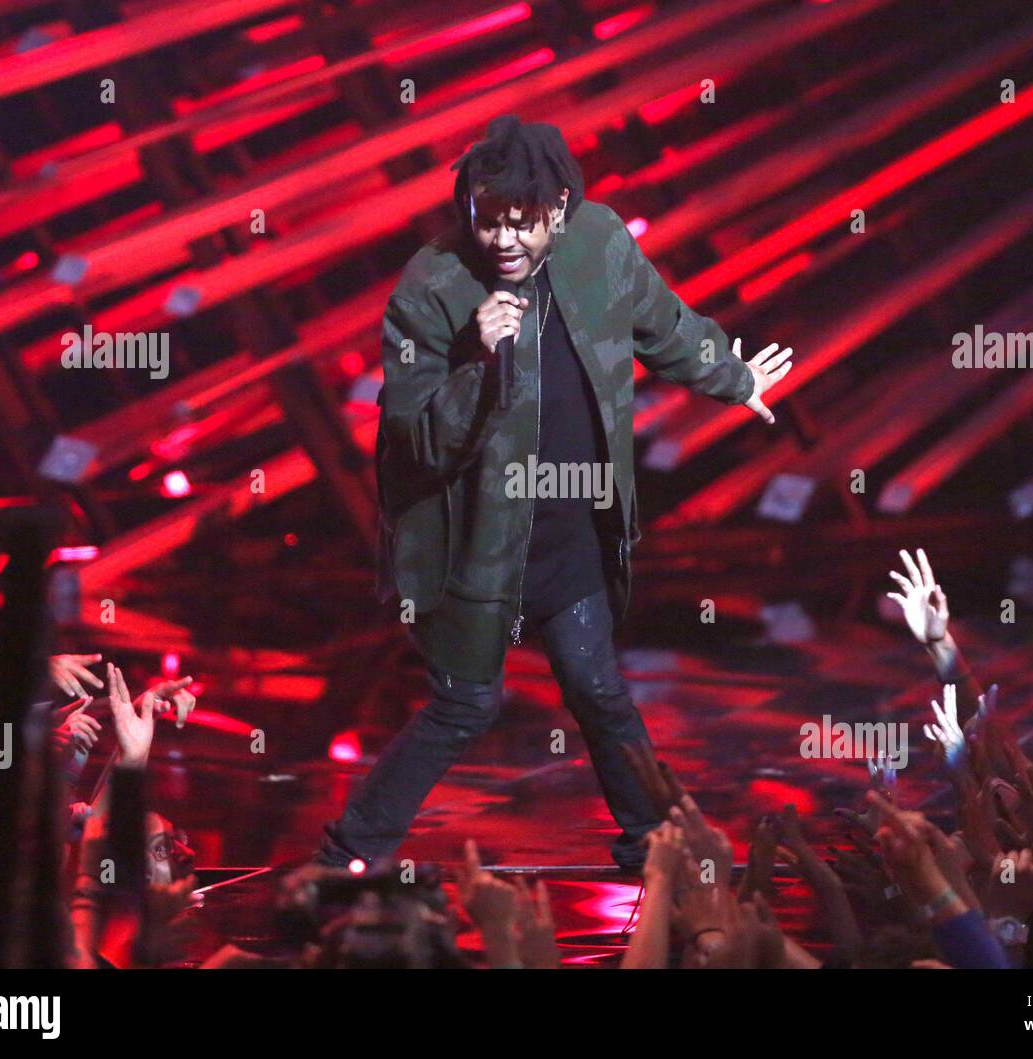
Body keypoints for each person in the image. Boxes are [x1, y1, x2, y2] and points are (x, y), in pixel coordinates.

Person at [318, 114, 793, 872]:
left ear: (560, 208)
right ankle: (351, 849)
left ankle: (655, 843)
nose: (503, 239)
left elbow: (665, 326)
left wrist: (734, 379)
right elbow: (412, 439)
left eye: (522, 221)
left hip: (572, 533)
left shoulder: (600, 243)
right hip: (475, 546)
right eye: (488, 220)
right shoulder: (432, 285)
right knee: (465, 705)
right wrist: (479, 361)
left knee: (597, 688)